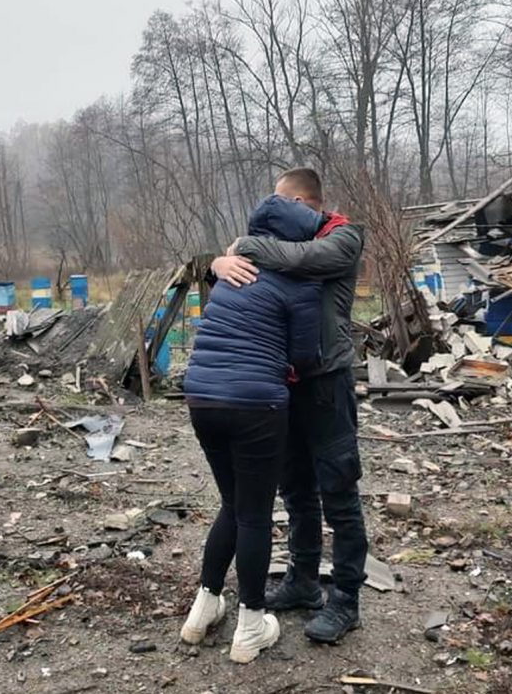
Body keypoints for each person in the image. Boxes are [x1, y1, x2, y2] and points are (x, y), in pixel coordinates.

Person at [209, 167, 368, 644]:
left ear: (300, 204)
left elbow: (303, 259)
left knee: (339, 491)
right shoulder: (282, 241)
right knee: (296, 488)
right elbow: (245, 275)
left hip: (327, 384)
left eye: (279, 202)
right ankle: (303, 581)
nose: (274, 212)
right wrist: (219, 264)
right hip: (284, 385)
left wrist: (244, 245)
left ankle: (346, 599)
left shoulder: (343, 237)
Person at [179, 194, 324, 663]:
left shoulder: (232, 272)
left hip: (202, 397)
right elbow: (304, 357)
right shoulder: (299, 284)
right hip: (256, 405)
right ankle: (251, 626)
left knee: (232, 504)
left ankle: (203, 609)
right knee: (256, 515)